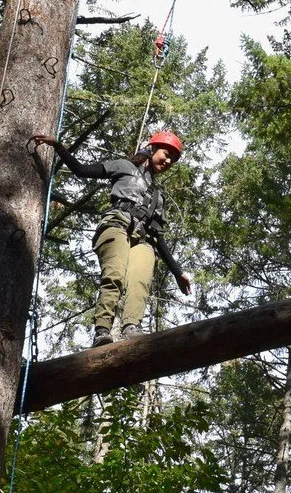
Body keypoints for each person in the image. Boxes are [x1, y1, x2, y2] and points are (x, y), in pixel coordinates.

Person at [30, 129, 193, 346]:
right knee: (114, 275)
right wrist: (58, 146)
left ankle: (132, 327)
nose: (168, 161)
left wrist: (177, 272)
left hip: (143, 238)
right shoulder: (124, 166)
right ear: (153, 149)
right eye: (166, 154)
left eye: (173, 159)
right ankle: (102, 330)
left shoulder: (158, 196)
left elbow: (158, 236)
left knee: (140, 280)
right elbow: (81, 170)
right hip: (116, 225)